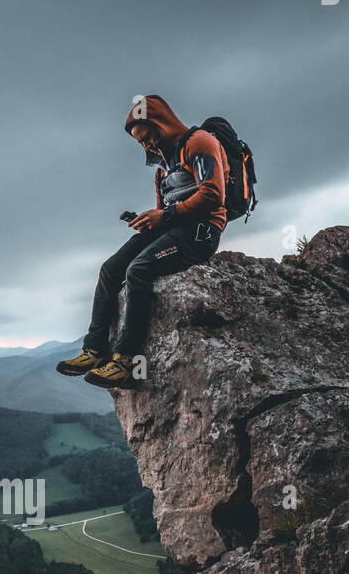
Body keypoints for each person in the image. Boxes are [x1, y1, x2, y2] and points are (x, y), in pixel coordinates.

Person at [57, 93, 229, 389]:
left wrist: (164, 216)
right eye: (141, 143)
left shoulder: (199, 143)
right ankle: (94, 350)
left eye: (148, 136)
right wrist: (149, 219)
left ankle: (125, 360)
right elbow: (164, 210)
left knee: (138, 269)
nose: (147, 145)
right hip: (173, 227)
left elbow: (214, 193)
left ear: (162, 123)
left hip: (201, 232)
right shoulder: (163, 165)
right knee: (111, 270)